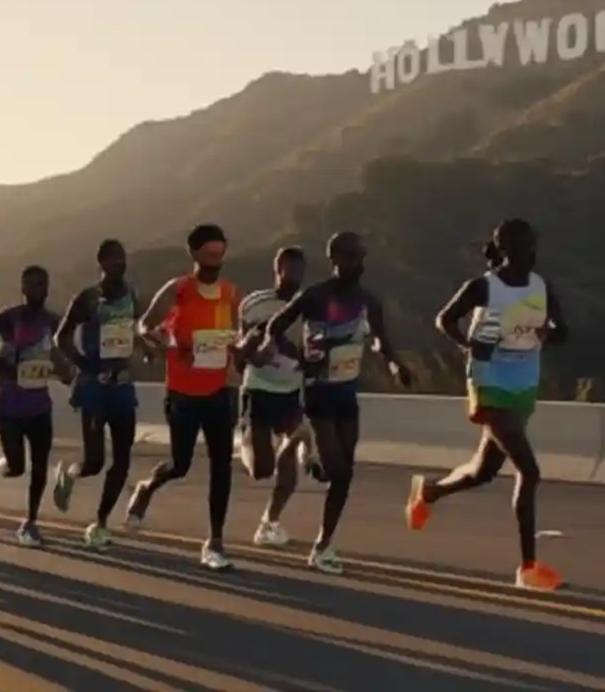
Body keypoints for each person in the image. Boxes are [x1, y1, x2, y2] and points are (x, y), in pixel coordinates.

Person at [406, 219, 564, 591]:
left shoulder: (542, 287)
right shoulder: (482, 287)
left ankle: (428, 492)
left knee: (483, 471)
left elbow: (563, 330)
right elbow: (444, 319)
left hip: (523, 385)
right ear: (506, 249)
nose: (531, 253)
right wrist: (467, 344)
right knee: (530, 470)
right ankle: (527, 568)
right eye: (524, 246)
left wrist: (548, 334)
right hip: (489, 384)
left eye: (533, 245)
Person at [254, 232, 413, 574]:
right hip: (318, 392)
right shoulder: (316, 296)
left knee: (342, 473)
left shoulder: (368, 300)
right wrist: (287, 351)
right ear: (337, 259)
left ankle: (323, 545)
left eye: (362, 256)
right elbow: (275, 325)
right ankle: (308, 453)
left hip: (346, 392)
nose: (361, 264)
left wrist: (395, 364)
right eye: (354, 257)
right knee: (336, 468)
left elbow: (382, 341)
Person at [125, 225, 241, 570]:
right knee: (180, 464)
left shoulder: (229, 294)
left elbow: (234, 339)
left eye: (219, 256)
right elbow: (144, 327)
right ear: (193, 254)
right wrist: (174, 345)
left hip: (219, 391)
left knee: (223, 465)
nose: (214, 264)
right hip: (183, 395)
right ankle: (148, 486)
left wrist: (244, 353)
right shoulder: (179, 290)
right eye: (208, 257)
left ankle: (215, 542)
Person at [51, 239, 146, 548]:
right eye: (114, 260)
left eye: (123, 259)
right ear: (102, 262)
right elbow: (60, 337)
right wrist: (83, 365)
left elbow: (138, 328)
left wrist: (146, 347)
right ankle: (69, 475)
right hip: (94, 389)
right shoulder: (88, 298)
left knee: (122, 460)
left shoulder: (131, 294)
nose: (121, 264)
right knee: (94, 462)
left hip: (122, 386)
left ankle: (101, 522)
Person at [0, 265, 73, 546]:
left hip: (39, 403)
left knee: (39, 466)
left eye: (43, 284)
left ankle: (30, 523)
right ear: (23, 288)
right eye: (33, 284)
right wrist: (1, 363)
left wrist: (66, 373)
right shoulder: (10, 317)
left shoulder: (53, 321)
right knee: (16, 466)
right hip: (8, 401)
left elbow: (57, 352)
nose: (39, 289)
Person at [234, 246, 310, 548]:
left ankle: (270, 521)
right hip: (258, 390)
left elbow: (313, 350)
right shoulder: (253, 304)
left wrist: (301, 357)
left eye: (298, 271)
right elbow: (241, 356)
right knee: (262, 470)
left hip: (290, 393)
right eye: (286, 270)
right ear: (276, 270)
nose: (292, 277)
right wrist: (256, 350)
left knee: (288, 462)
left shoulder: (308, 306)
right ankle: (247, 439)